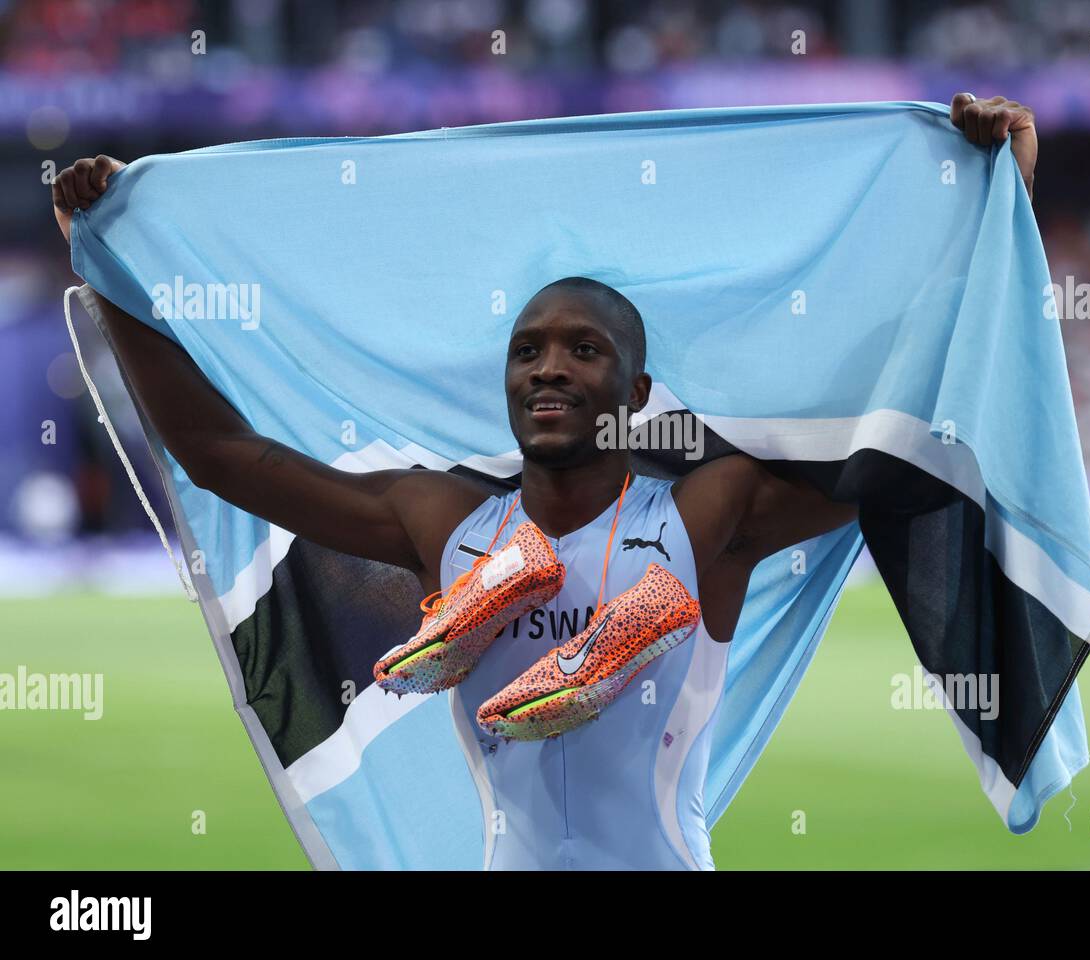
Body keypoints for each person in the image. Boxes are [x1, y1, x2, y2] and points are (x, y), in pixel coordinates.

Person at [51, 93, 1038, 870]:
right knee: (483, 557)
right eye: (526, 352)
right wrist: (112, 273)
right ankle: (502, 613)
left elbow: (911, 444)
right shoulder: (440, 516)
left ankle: (615, 626)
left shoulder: (711, 514)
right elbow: (224, 456)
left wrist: (995, 205)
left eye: (582, 350)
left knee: (674, 568)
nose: (548, 369)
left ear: (637, 388)